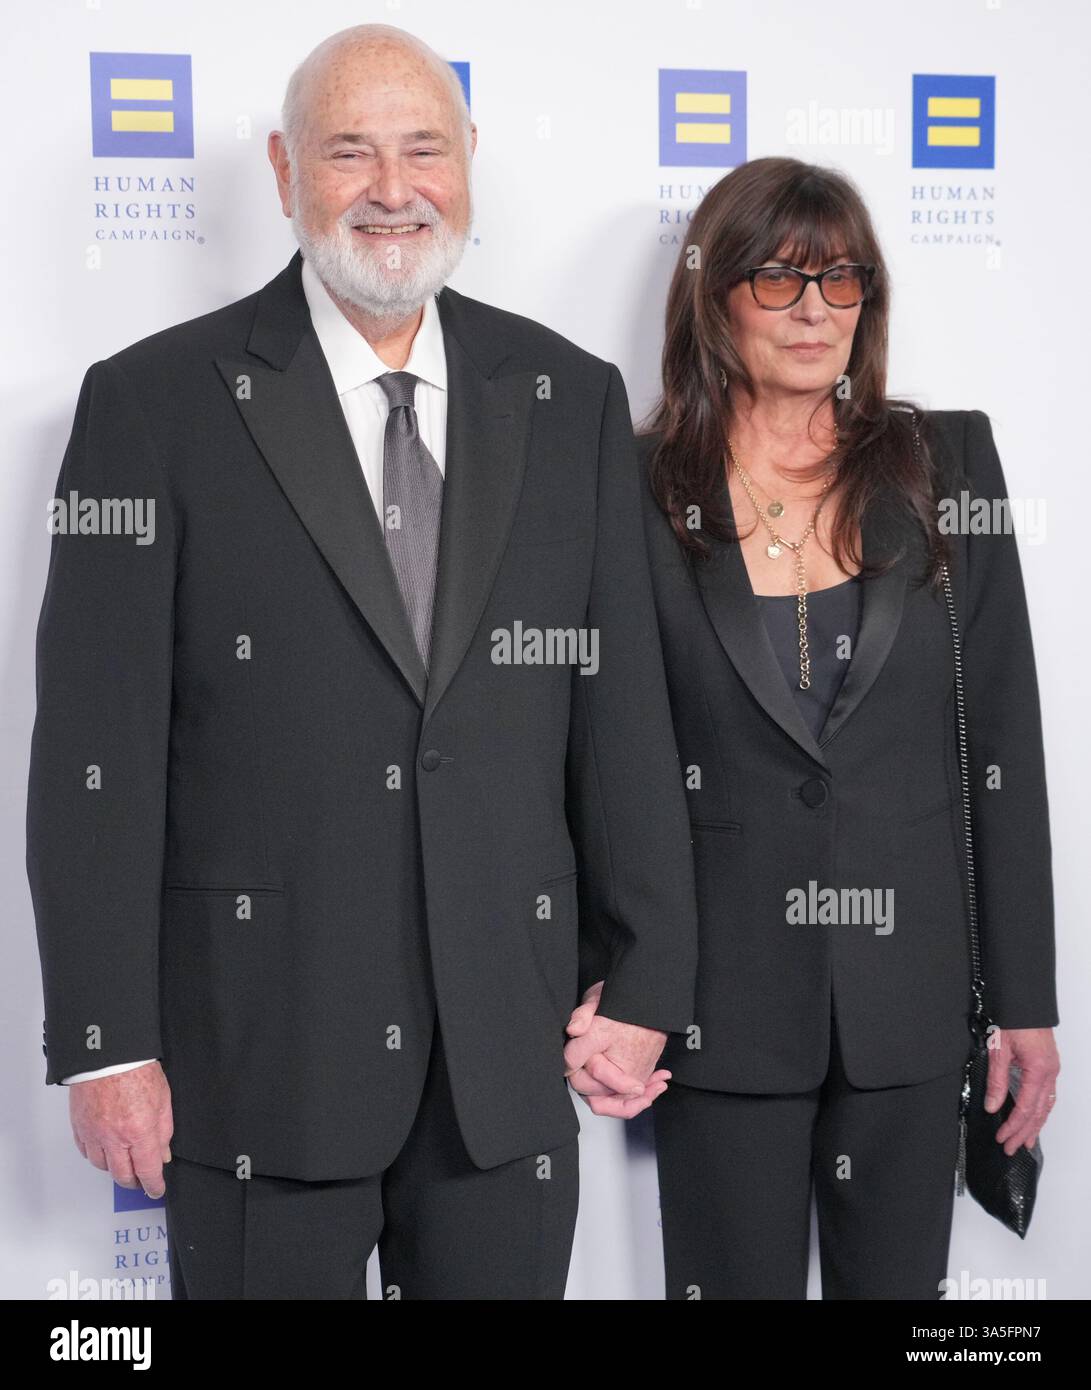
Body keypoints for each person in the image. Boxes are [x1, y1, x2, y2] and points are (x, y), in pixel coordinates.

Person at [26, 24, 697, 1300]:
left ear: (469, 161)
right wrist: (105, 1041)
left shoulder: (569, 397)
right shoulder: (152, 405)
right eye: (349, 152)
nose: (393, 190)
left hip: (504, 1062)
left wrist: (648, 973)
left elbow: (621, 725)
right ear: (285, 170)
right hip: (253, 1063)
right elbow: (93, 753)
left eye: (422, 151)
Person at [631, 156, 1059, 1298]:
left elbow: (1000, 746)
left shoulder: (946, 462)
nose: (814, 309)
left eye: (840, 279)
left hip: (910, 1008)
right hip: (716, 1009)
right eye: (777, 278)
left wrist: (1023, 1000)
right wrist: (606, 978)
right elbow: (601, 760)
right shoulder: (632, 489)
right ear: (713, 294)